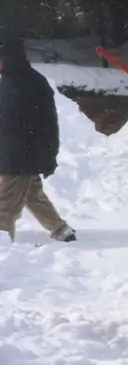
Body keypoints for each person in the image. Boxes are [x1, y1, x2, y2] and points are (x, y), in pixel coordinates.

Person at [0, 37, 76, 243]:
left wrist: (49, 154)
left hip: (20, 156)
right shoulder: (6, 81)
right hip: (9, 153)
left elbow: (48, 124)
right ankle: (60, 229)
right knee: (32, 194)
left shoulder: (33, 84)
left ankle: (3, 246)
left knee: (4, 207)